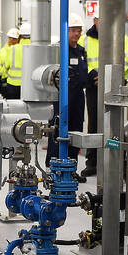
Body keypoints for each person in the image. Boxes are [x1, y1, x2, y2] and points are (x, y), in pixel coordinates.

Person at [46, 21, 95, 181]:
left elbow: (81, 74)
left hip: (78, 96)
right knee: (58, 129)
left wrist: (92, 77)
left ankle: (71, 169)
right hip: (62, 96)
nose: (77, 34)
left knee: (75, 130)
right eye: (73, 30)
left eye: (79, 31)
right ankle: (54, 169)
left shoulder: (81, 51)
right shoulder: (59, 50)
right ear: (66, 32)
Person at [80, 15, 101, 177]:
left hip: (114, 85)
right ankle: (92, 162)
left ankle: (112, 162)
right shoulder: (85, 40)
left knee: (114, 124)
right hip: (93, 86)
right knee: (93, 124)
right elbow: (82, 62)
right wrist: (92, 75)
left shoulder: (122, 38)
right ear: (95, 21)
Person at [2, 27, 23, 99]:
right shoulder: (4, 49)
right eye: (10, 38)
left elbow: (5, 65)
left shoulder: (10, 49)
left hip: (11, 83)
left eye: (13, 38)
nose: (11, 40)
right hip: (22, 83)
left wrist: (3, 78)